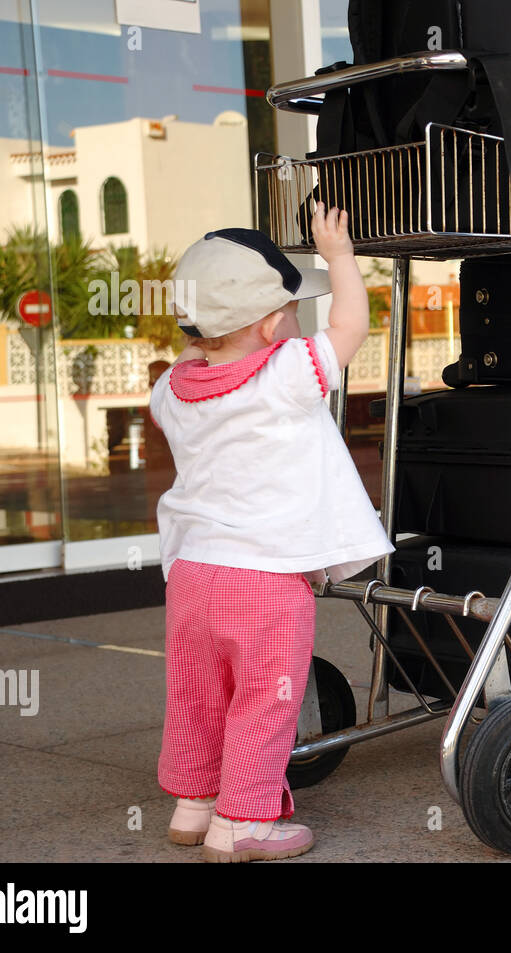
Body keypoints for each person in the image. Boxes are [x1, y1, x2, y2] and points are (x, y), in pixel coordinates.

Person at [149, 205, 392, 862]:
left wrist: (206, 326)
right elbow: (350, 326)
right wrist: (338, 254)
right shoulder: (285, 375)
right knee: (263, 699)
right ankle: (245, 823)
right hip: (264, 581)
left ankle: (193, 806)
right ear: (266, 325)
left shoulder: (171, 390)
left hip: (194, 575)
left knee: (198, 694)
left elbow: (203, 348)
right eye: (288, 313)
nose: (297, 324)